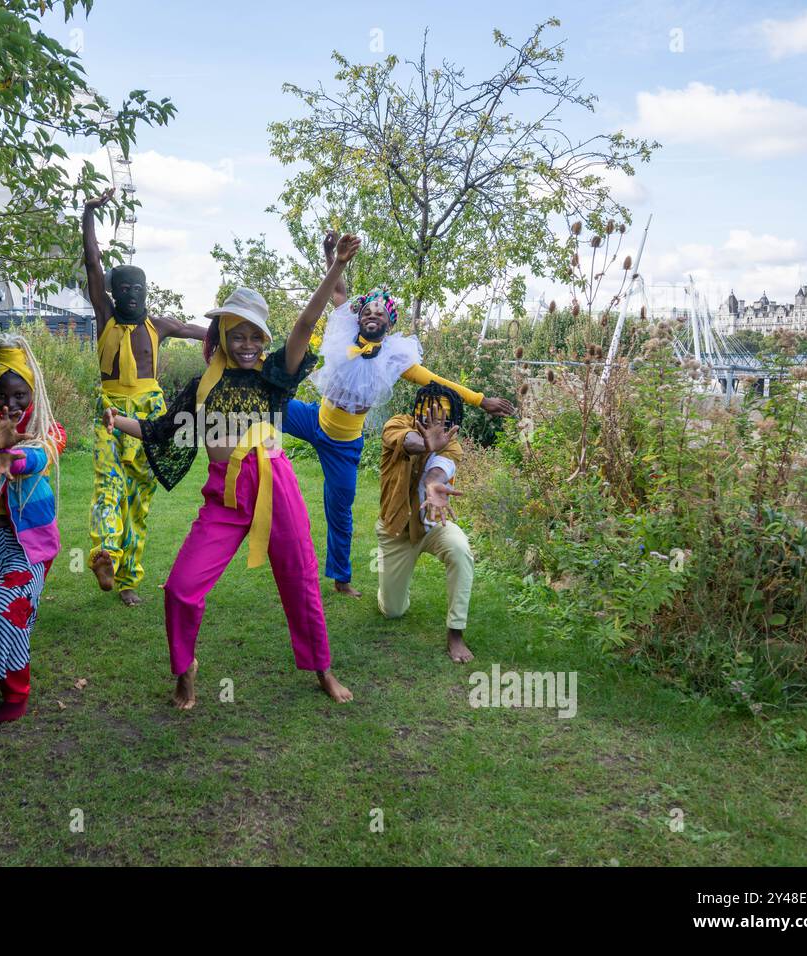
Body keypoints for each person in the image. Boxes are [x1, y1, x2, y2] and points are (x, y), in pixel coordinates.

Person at [104, 235, 365, 709]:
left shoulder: (273, 376)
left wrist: (334, 268)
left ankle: (321, 667)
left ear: (264, 340)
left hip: (275, 485)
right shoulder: (202, 386)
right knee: (182, 589)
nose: (247, 344)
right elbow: (161, 430)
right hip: (224, 496)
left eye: (255, 336)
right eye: (238, 334)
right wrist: (116, 421)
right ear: (221, 336)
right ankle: (185, 669)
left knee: (301, 577)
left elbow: (306, 324)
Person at [282, 230, 514, 598]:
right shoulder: (344, 331)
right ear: (361, 318)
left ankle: (341, 578)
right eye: (368, 311)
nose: (373, 316)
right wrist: (332, 257)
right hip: (313, 418)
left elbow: (438, 380)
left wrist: (480, 399)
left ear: (388, 324)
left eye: (381, 314)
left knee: (340, 509)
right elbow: (339, 294)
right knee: (264, 403)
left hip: (344, 443)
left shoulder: (395, 357)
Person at [82, 188, 207, 606]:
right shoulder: (104, 317)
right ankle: (104, 555)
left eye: (138, 288)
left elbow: (203, 332)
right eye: (124, 288)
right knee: (108, 483)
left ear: (147, 291)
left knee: (140, 497)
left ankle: (129, 580)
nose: (131, 294)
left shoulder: (159, 326)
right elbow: (93, 264)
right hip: (112, 409)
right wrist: (88, 215)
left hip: (151, 411)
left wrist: (242, 339)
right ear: (114, 293)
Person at [0, 334, 67, 724]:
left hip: (30, 543)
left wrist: (11, 459)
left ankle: (16, 695)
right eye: (2, 394)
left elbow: (41, 454)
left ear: (32, 390)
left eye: (20, 394)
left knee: (9, 608)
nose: (10, 403)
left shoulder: (49, 427)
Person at [376, 382, 475, 664]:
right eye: (430, 412)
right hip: (396, 530)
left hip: (432, 526)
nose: (436, 419)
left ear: (453, 418)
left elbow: (437, 473)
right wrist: (426, 444)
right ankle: (392, 590)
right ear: (418, 410)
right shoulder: (397, 424)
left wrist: (433, 487)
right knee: (392, 610)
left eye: (443, 415)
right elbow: (406, 442)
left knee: (460, 549)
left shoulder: (452, 445)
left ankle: (455, 632)